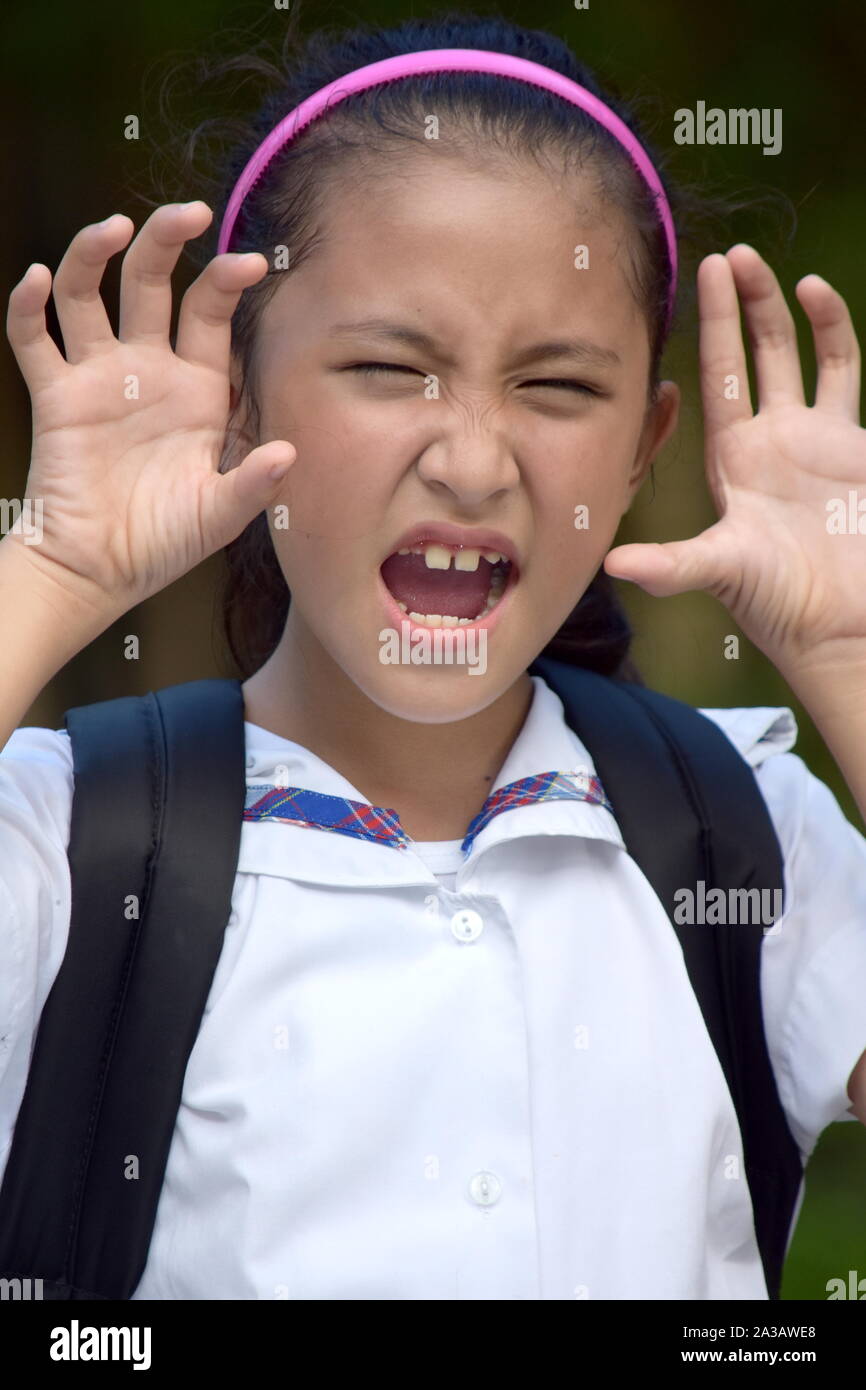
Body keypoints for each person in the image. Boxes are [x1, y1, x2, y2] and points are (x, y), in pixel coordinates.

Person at [1, 10, 865, 1300]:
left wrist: (850, 654)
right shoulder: (65, 840)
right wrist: (53, 575)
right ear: (236, 397)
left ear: (645, 445)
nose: (472, 460)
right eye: (389, 368)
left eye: (560, 389)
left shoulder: (748, 838)